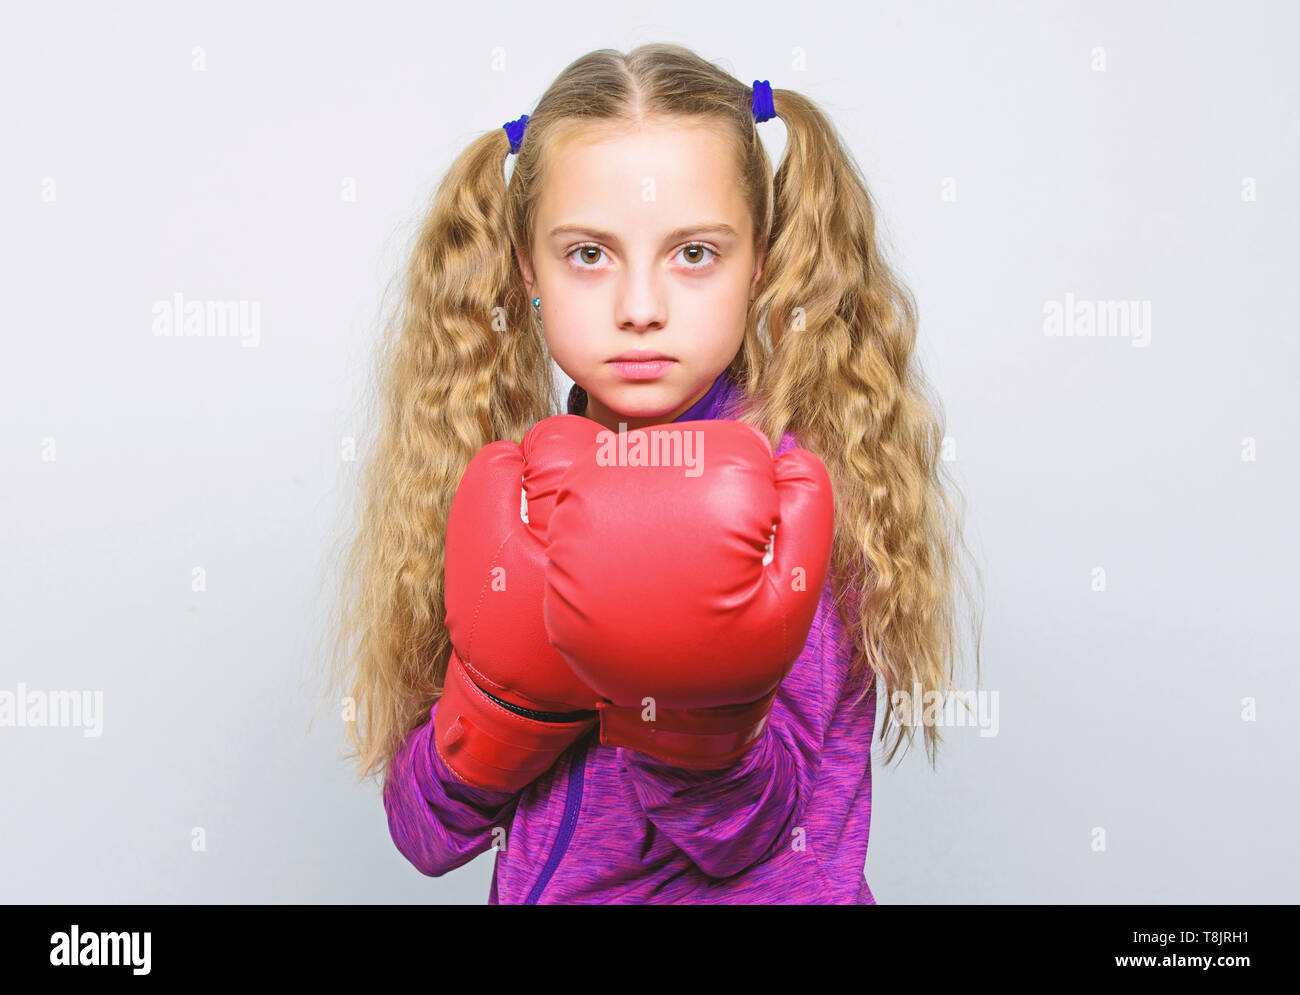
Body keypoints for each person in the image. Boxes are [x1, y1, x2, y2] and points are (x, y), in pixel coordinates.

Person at [328, 42, 982, 904]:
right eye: (589, 255)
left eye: (695, 254)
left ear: (762, 262)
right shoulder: (517, 496)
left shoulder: (789, 499)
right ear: (528, 268)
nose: (641, 307)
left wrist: (682, 704)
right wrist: (503, 705)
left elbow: (755, 834)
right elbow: (425, 832)